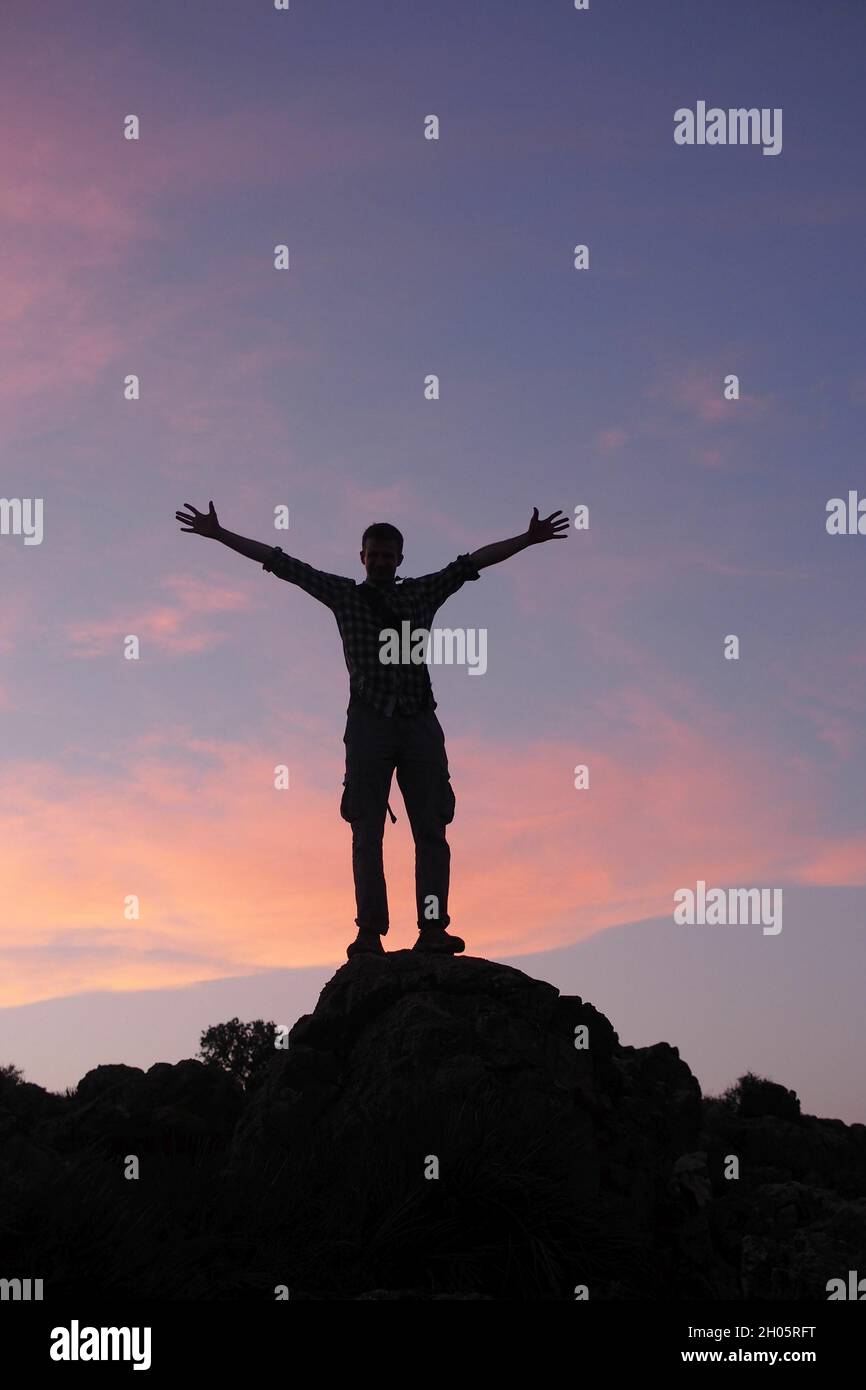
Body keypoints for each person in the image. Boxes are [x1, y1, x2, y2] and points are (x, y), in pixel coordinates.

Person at [176, 501, 569, 959]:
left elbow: (473, 562)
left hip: (419, 721)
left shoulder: (422, 593)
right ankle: (369, 933)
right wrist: (220, 534)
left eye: (389, 555)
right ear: (362, 557)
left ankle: (432, 928)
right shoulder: (345, 596)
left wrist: (527, 539)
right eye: (374, 554)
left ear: (400, 559)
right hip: (368, 724)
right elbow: (280, 564)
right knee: (367, 832)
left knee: (432, 829)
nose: (381, 561)